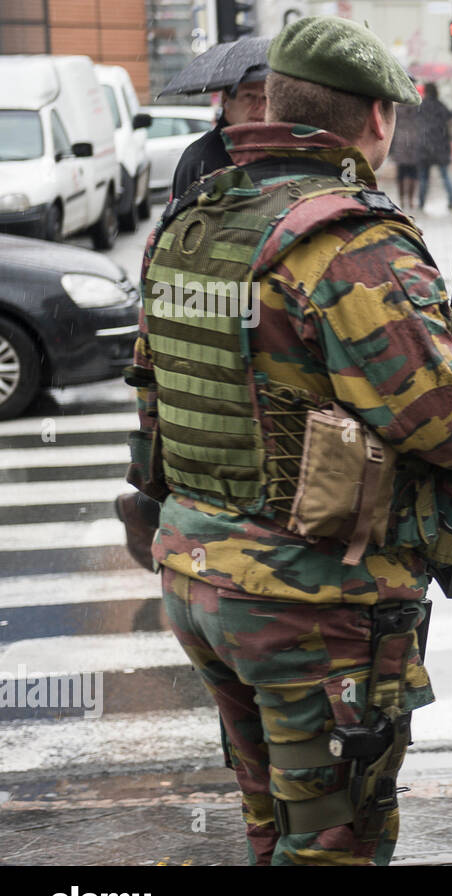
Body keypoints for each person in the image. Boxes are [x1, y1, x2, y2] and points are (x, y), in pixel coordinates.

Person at [124, 15, 452, 866]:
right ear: (378, 118)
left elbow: (153, 403)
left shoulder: (191, 223)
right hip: (310, 604)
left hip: (200, 574)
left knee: (273, 827)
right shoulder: (346, 242)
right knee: (337, 843)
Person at [116, 62, 271, 569]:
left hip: (237, 311)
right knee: (186, 434)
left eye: (268, 95)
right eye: (249, 95)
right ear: (222, 101)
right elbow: (180, 243)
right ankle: (147, 509)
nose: (260, 105)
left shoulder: (273, 151)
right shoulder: (203, 157)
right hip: (203, 308)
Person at [168, 64, 268, 199]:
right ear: (225, 100)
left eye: (265, 97)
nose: (259, 107)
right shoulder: (200, 159)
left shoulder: (281, 150)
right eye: (249, 96)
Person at [417, 84, 452, 211]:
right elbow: (451, 119)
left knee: (423, 178)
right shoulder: (441, 106)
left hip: (424, 147)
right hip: (441, 147)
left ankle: (421, 203)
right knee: (445, 176)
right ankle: (451, 201)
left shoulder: (421, 107)